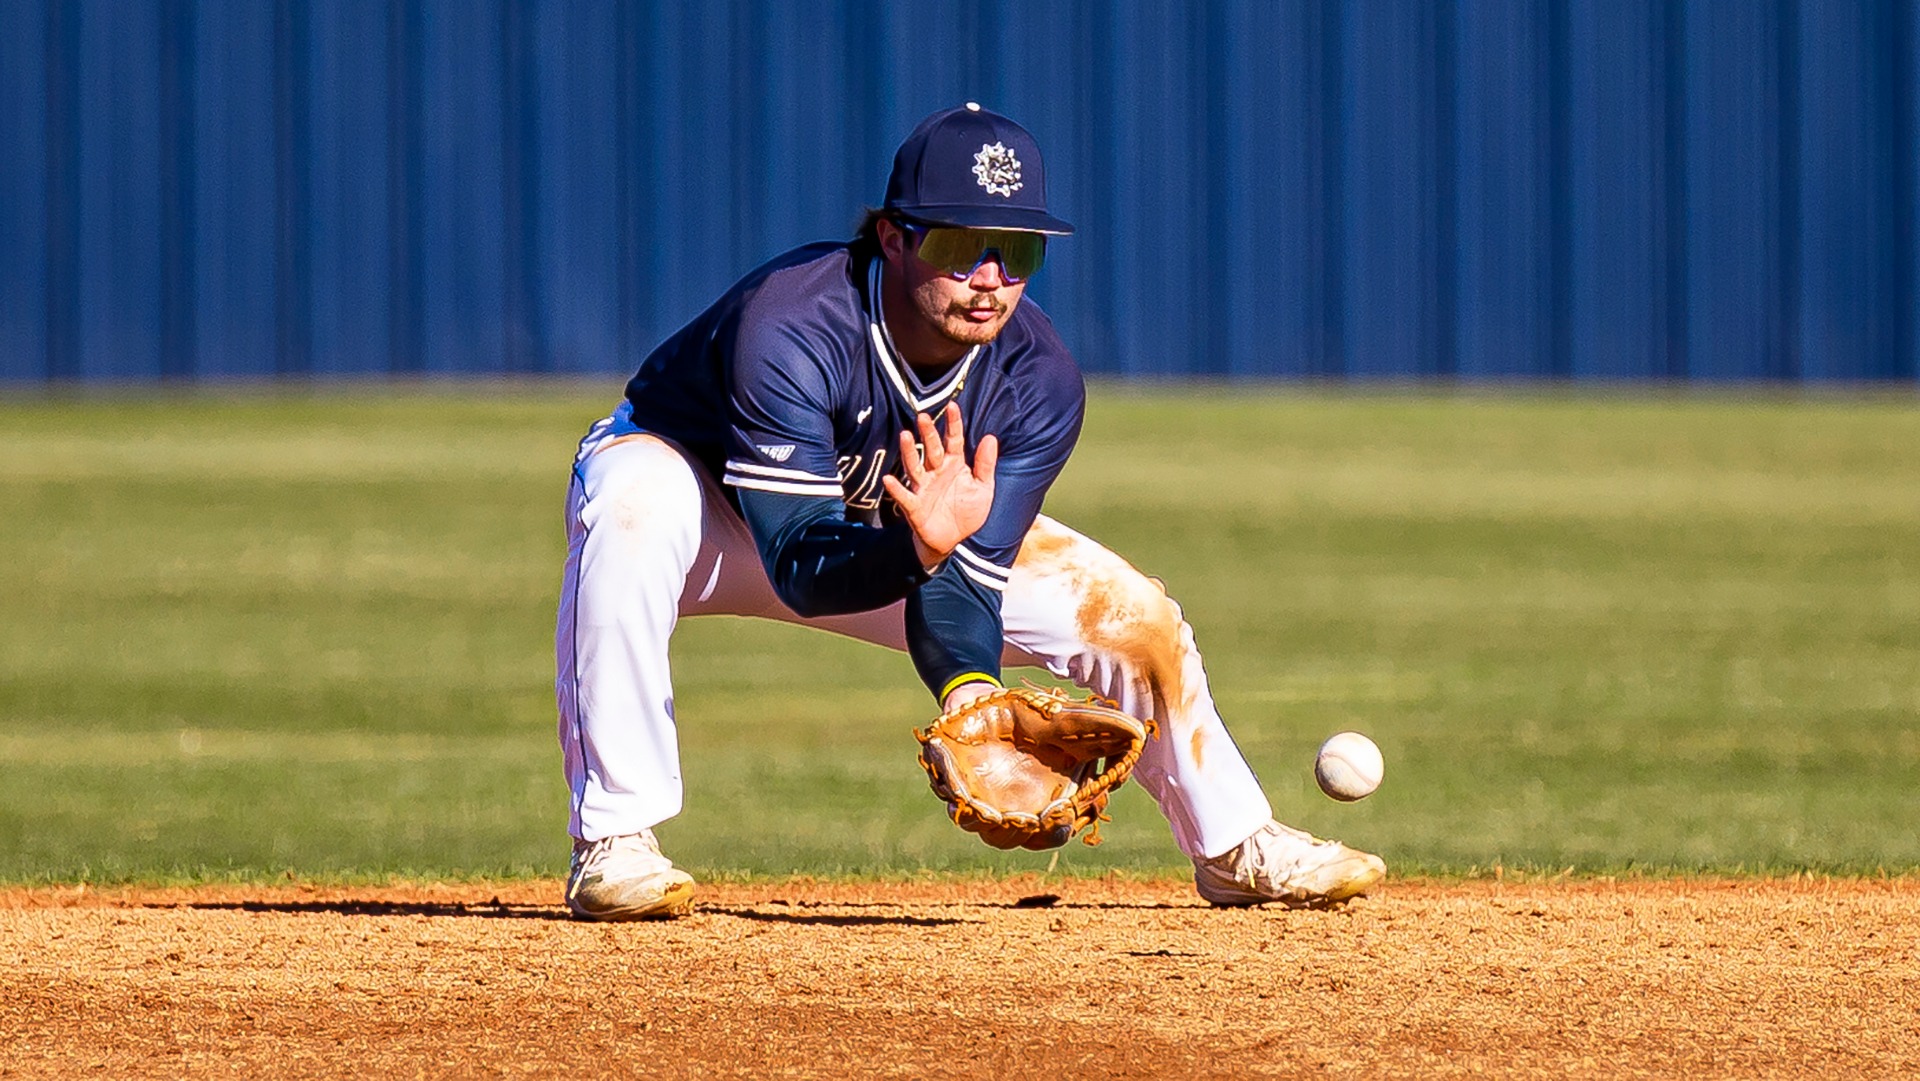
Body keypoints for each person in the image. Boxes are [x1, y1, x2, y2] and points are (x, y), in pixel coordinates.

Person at [555, 103, 1385, 919]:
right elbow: (802, 566)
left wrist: (970, 689)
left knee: (1133, 616)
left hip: (894, 534)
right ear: (892, 236)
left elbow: (967, 580)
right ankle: (616, 836)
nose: (991, 278)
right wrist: (915, 555)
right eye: (959, 246)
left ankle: (1234, 842)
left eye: (1018, 250)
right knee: (632, 506)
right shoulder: (792, 326)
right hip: (713, 502)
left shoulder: (1038, 382)